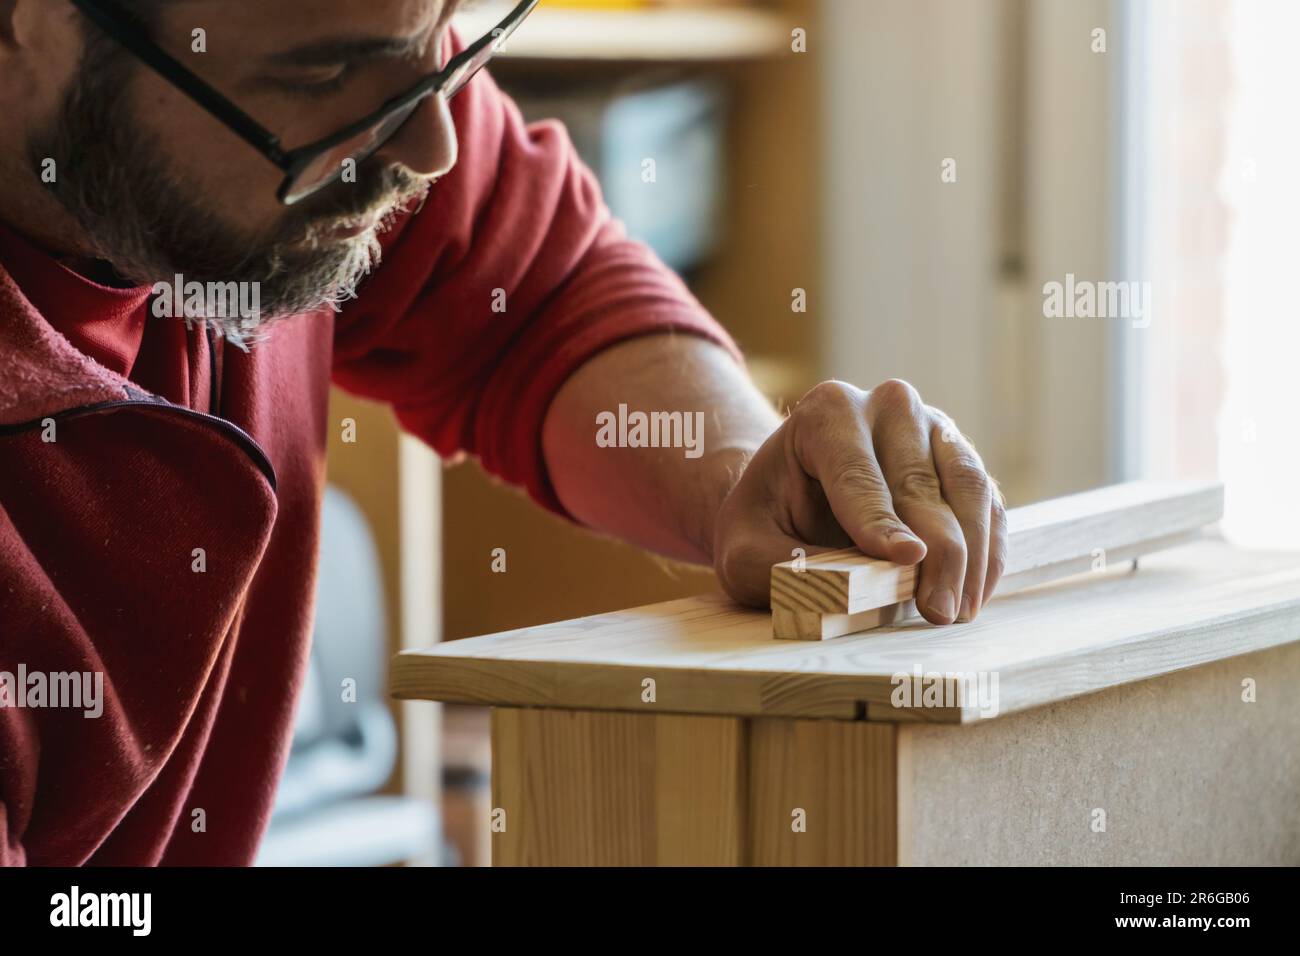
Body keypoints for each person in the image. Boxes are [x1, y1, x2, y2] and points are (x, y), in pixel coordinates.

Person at [0, 0, 1006, 865]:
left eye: (441, 32)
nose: (430, 145)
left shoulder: (306, 128)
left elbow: (537, 299)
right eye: (330, 69)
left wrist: (747, 482)